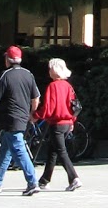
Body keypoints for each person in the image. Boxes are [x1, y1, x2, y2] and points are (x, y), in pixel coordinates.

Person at [0, 45, 41, 195]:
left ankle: (33, 182)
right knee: (6, 150)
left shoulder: (5, 75)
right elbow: (36, 98)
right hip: (22, 118)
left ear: (8, 59)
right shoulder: (28, 74)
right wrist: (32, 113)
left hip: (11, 118)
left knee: (19, 150)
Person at [35, 57, 82, 191]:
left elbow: (49, 107)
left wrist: (36, 116)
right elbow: (73, 105)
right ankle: (44, 180)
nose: (49, 71)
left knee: (61, 151)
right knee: (53, 151)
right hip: (67, 122)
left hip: (57, 123)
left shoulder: (52, 86)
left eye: (50, 68)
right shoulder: (68, 86)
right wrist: (72, 121)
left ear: (55, 70)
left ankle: (74, 178)